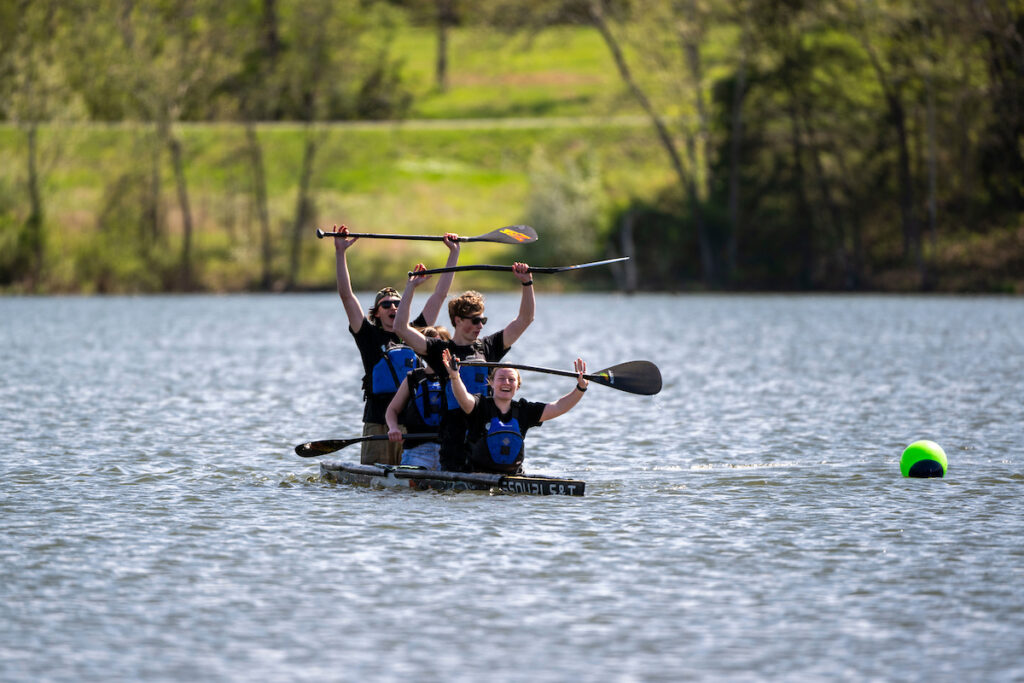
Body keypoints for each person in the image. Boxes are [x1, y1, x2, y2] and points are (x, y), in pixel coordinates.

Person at [332, 224, 460, 465]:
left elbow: (439, 296)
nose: (393, 307)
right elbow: (346, 295)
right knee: (378, 489)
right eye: (386, 305)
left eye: (397, 303)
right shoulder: (367, 334)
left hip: (412, 421)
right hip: (378, 420)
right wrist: (341, 252)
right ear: (376, 313)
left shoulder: (414, 332)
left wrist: (453, 253)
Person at [393, 261, 535, 471]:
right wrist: (410, 287)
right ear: (457, 320)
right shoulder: (439, 350)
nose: (480, 326)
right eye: (475, 321)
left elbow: (525, 319)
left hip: (483, 438)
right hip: (453, 439)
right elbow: (400, 328)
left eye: (483, 321)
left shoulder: (488, 347)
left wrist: (527, 283)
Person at [442, 349, 588, 474]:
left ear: (518, 385)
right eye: (501, 379)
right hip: (477, 475)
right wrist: (455, 376)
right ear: (491, 382)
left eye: (511, 380)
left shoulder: (524, 411)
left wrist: (580, 388)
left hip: (513, 476)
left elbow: (558, 407)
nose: (506, 383)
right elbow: (463, 398)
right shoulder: (480, 405)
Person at [384, 326, 450, 470]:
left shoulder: (455, 377)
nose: (435, 351)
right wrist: (393, 428)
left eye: (439, 345)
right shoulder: (413, 377)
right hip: (416, 450)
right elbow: (392, 409)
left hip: (448, 450)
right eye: (430, 345)